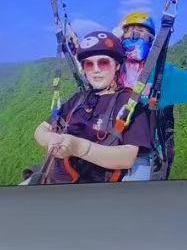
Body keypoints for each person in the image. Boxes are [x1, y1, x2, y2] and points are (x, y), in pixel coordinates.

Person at [34, 32, 152, 184]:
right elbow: (41, 129)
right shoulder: (78, 99)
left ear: (117, 65)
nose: (96, 70)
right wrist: (51, 139)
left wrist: (79, 147)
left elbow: (128, 157)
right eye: (89, 64)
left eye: (103, 63)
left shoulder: (129, 104)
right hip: (52, 177)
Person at [116, 7, 187, 181]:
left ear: (152, 40)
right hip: (110, 154)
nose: (135, 36)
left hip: (146, 160)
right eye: (130, 32)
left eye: (141, 32)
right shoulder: (112, 70)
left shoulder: (161, 74)